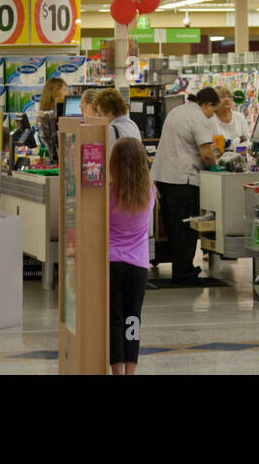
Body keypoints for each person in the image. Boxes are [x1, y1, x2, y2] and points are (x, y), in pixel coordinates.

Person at [149, 87, 220, 285]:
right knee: (187, 227)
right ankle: (184, 272)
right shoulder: (198, 117)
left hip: (164, 176)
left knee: (173, 227)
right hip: (183, 179)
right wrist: (215, 170)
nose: (212, 116)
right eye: (212, 111)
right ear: (206, 105)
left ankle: (180, 268)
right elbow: (206, 152)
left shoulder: (178, 110)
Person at [108, 137, 155, 375]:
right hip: (138, 265)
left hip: (111, 263)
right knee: (133, 318)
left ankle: (116, 371)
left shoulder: (109, 194)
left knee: (114, 319)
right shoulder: (150, 192)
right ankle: (130, 370)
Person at [37, 77, 67, 159]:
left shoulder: (42, 114)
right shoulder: (53, 115)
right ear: (55, 92)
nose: (67, 93)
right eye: (64, 90)